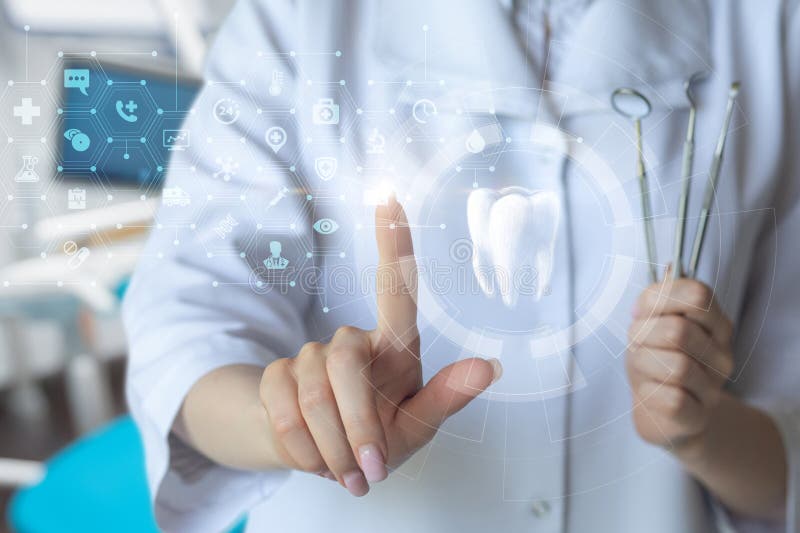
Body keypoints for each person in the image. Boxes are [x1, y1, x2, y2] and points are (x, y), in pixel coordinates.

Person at [123, 1, 800, 532]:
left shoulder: (772, 28)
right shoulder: (299, 16)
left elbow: (787, 456)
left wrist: (702, 431)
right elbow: (185, 331)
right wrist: (296, 418)